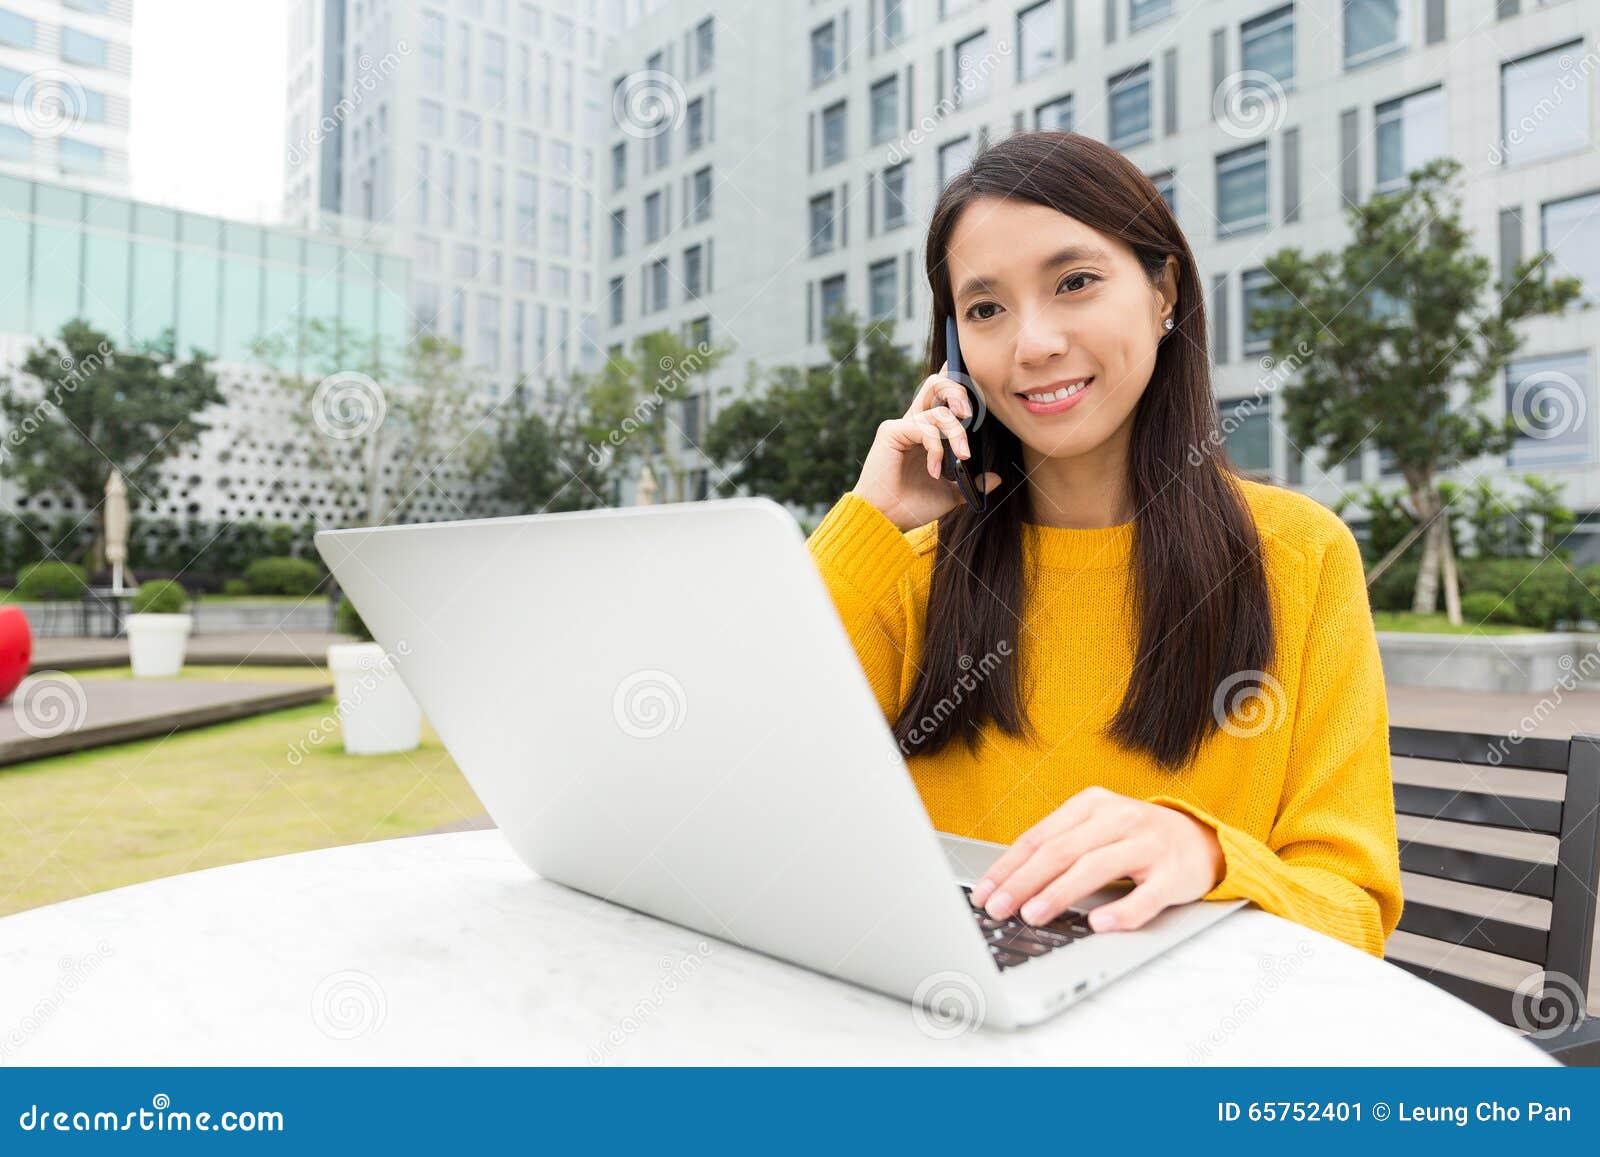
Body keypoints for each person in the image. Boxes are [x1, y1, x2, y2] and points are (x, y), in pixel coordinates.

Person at [806, 132, 1402, 958]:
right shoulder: (903, 572)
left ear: (1164, 291)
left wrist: (1211, 855)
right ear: (953, 355)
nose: (1034, 343)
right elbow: (732, 803)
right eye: (985, 309)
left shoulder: (1299, 556)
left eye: (1075, 282)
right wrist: (867, 519)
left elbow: (1353, 913)